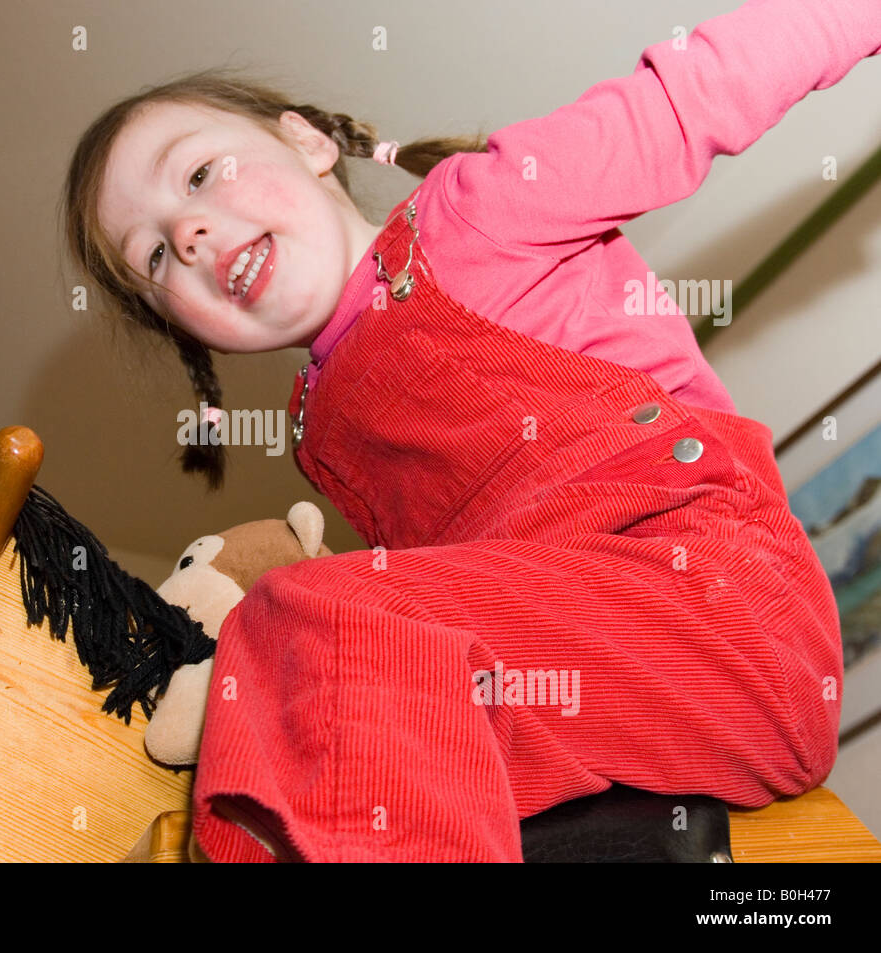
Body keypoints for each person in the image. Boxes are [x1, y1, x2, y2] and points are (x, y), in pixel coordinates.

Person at [60, 0, 881, 861]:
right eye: (152, 259)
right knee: (267, 782)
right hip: (584, 695)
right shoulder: (322, 433)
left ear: (305, 141)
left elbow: (696, 93)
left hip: (719, 600)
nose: (186, 235)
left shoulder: (481, 209)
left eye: (196, 176)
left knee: (311, 618)